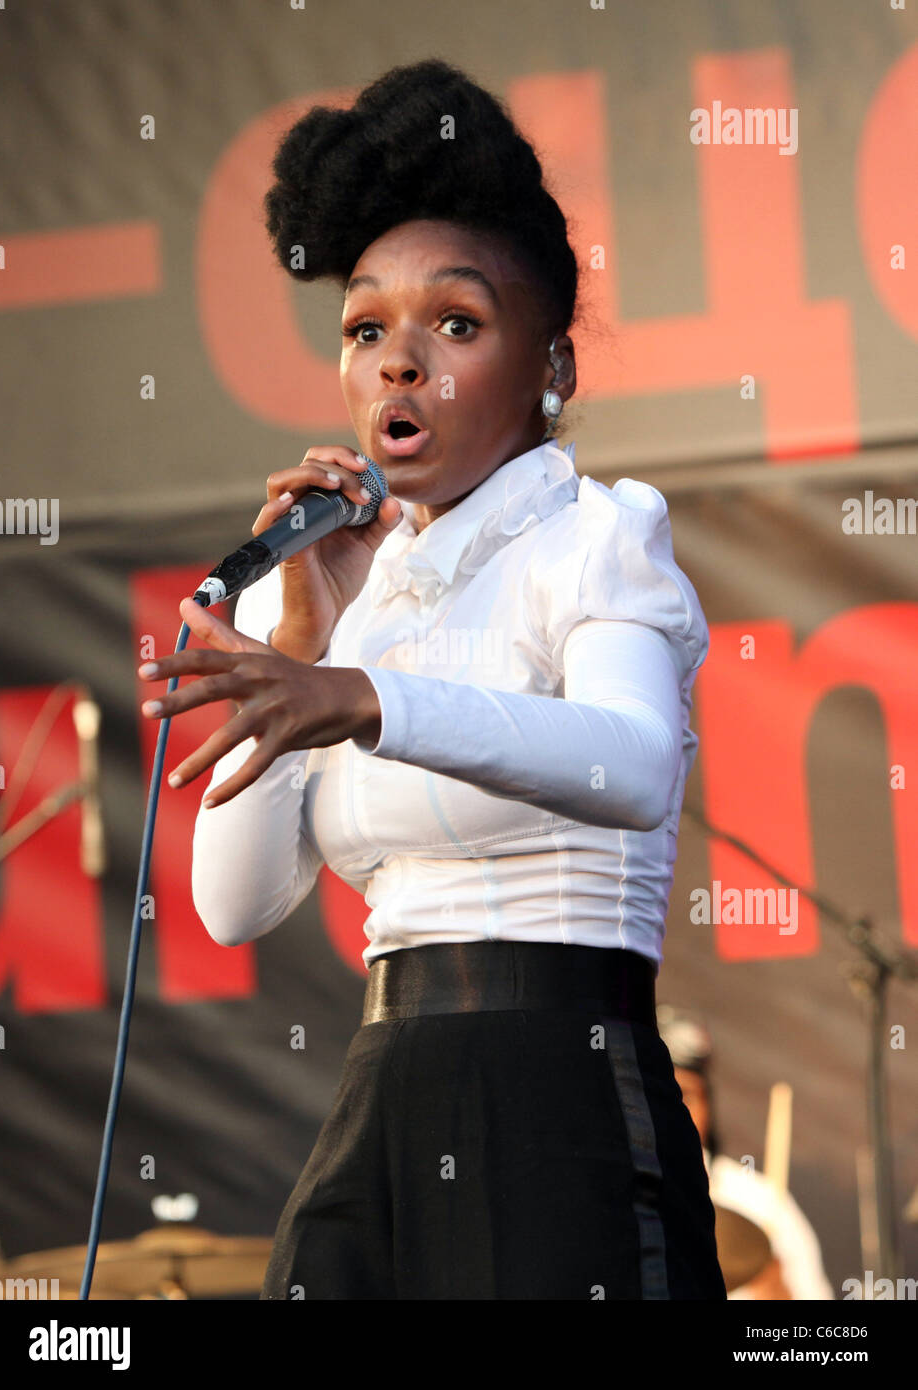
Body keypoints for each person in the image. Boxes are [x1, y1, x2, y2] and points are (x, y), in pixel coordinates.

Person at [138, 57, 725, 1300]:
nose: (399, 363)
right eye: (366, 329)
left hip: (558, 1087)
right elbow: (235, 906)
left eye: (455, 324)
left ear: (552, 366)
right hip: (383, 1088)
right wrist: (304, 632)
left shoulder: (595, 539)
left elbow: (630, 760)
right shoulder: (340, 588)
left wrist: (367, 701)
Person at [657, 1005, 834, 1300]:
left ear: (708, 1105)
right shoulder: (592, 1193)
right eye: (657, 1095)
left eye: (685, 1096)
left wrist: (779, 1293)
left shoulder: (762, 1203)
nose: (671, 1113)